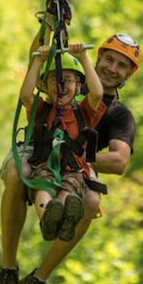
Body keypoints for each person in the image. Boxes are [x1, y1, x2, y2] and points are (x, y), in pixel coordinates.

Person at [0, 31, 141, 284]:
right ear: (97, 59)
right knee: (15, 173)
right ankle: (8, 270)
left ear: (128, 75)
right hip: (36, 150)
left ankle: (38, 281)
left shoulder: (118, 115)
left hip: (73, 164)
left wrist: (73, 152)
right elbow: (34, 64)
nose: (112, 68)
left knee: (93, 200)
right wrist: (46, 28)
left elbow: (120, 160)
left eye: (121, 66)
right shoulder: (68, 77)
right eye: (108, 59)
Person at [20, 43, 105, 243]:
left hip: (73, 169)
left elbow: (98, 93)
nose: (60, 86)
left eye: (67, 81)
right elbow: (25, 94)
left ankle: (66, 219)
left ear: (77, 86)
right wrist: (38, 60)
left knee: (70, 192)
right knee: (44, 188)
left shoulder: (84, 111)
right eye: (54, 81)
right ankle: (48, 221)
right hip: (45, 166)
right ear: (45, 87)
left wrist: (84, 58)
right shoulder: (41, 109)